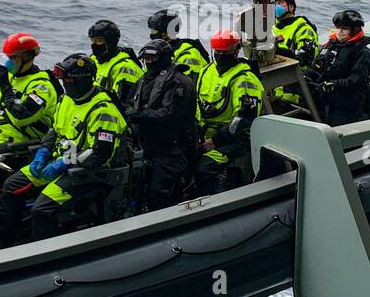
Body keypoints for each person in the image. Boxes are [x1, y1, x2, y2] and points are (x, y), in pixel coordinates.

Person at [0, 53, 129, 246]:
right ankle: (5, 241)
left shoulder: (103, 109)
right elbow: (54, 131)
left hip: (86, 172)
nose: (65, 83)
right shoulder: (66, 99)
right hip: (57, 161)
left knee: (41, 209)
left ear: (83, 80)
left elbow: (100, 153)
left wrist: (63, 164)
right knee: (11, 186)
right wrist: (42, 153)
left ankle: (46, 252)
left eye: (69, 79)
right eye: (64, 79)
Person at [125, 38, 198, 210]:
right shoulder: (145, 80)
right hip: (147, 147)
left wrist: (139, 115)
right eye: (146, 59)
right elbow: (128, 102)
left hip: (172, 150)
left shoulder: (179, 82)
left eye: (153, 58)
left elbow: (169, 115)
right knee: (138, 192)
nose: (149, 62)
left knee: (158, 193)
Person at [194, 28, 265, 195]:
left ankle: (221, 200)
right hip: (203, 134)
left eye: (224, 51)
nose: (220, 55)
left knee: (204, 169)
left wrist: (215, 140)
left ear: (236, 50)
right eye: (217, 51)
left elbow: (244, 119)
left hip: (234, 140)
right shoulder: (206, 71)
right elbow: (196, 105)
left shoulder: (245, 78)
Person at [307, 9, 370, 126]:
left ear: (354, 30)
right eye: (338, 28)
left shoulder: (362, 52)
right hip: (324, 100)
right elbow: (317, 67)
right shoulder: (330, 46)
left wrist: (333, 85)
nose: (340, 31)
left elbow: (357, 82)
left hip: (347, 106)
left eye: (345, 29)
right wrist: (308, 76)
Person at [269, 0, 318, 111]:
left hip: (294, 85)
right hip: (272, 82)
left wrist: (277, 50)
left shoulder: (303, 28)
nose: (277, 6)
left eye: (280, 3)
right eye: (274, 4)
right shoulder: (271, 28)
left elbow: (305, 57)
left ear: (291, 7)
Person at [88, 18, 144, 103]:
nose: (94, 45)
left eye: (99, 41)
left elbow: (124, 104)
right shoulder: (93, 59)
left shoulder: (125, 68)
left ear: (111, 42)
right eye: (92, 41)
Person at [146, 9, 209, 82]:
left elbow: (189, 85)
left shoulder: (188, 55)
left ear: (168, 33)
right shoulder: (159, 51)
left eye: (155, 31)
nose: (152, 35)